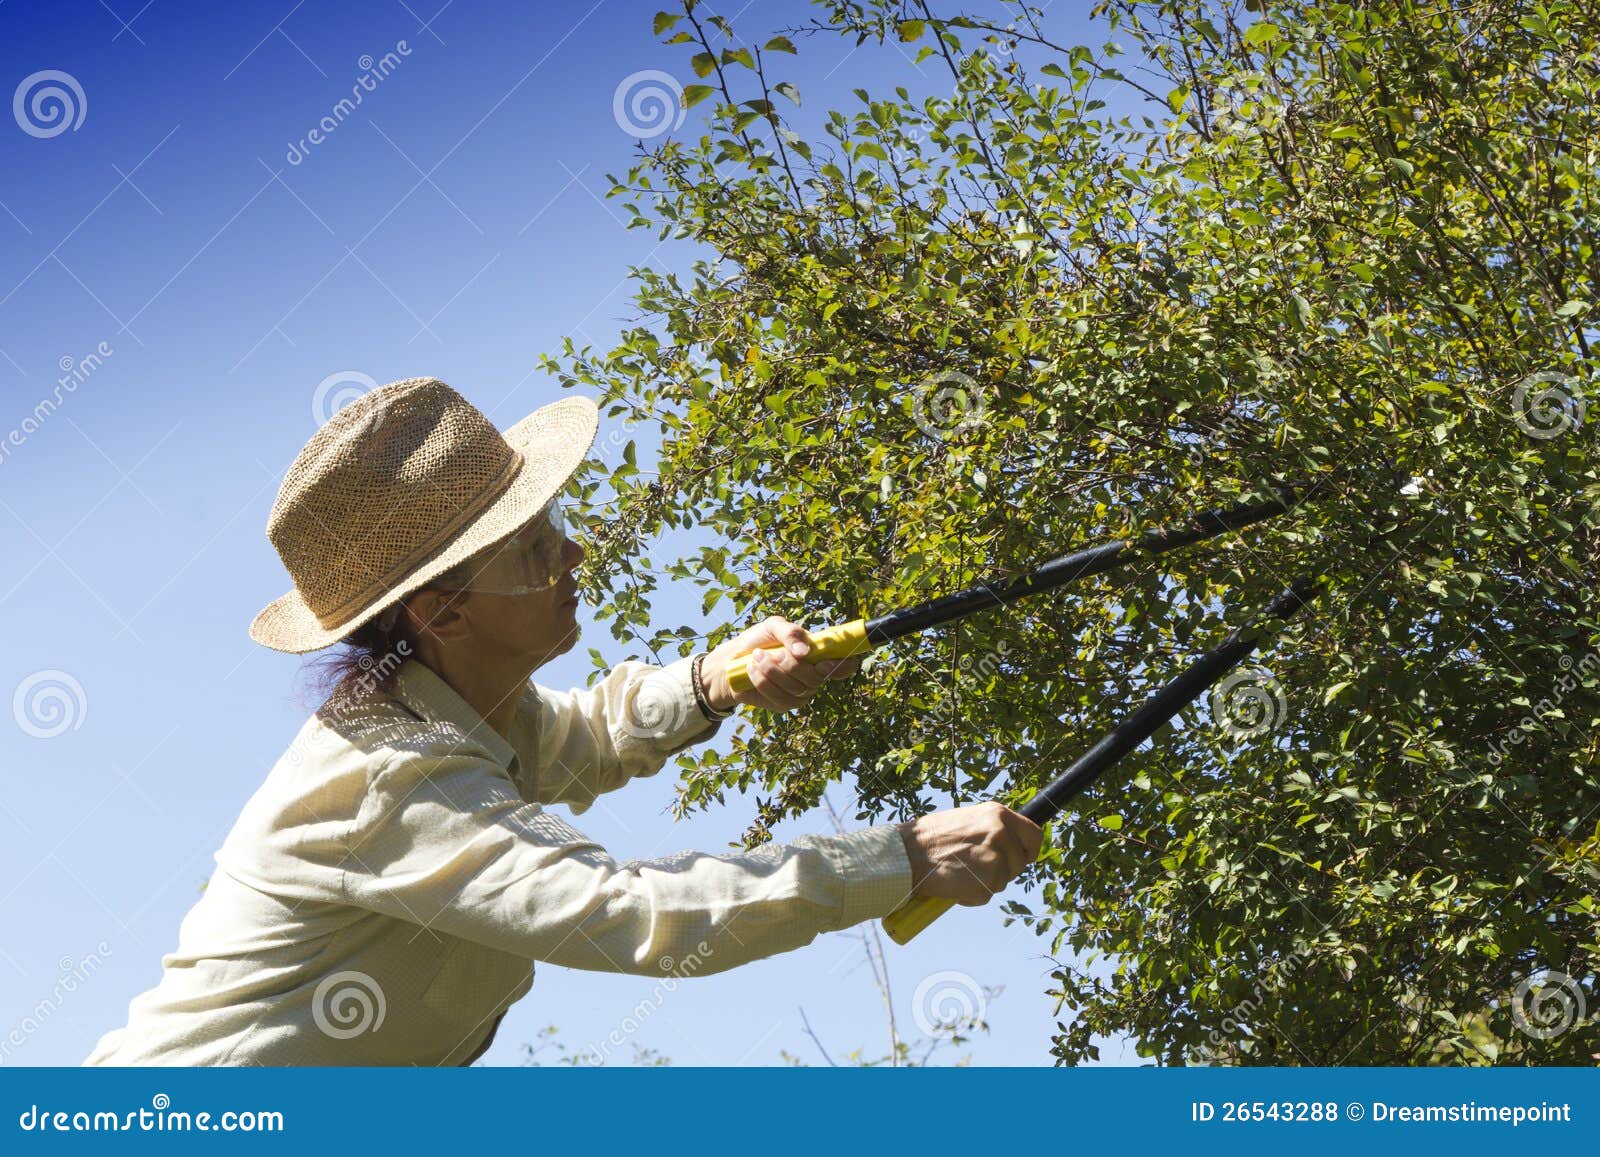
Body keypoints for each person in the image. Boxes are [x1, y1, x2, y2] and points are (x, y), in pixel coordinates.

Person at [84, 376, 1042, 1066]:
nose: (573, 550)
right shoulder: (392, 777)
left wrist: (718, 678)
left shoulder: (463, 706)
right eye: (535, 546)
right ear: (444, 612)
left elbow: (576, 734)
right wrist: (900, 858)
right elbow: (633, 915)